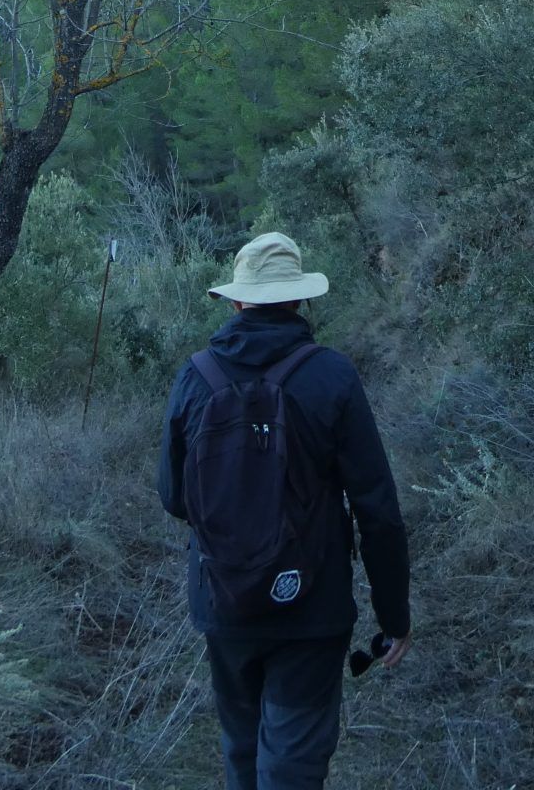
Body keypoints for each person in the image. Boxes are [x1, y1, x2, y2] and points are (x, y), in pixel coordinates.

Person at [158, 231, 410, 790]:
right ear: (299, 299)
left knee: (242, 749)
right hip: (312, 604)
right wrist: (395, 617)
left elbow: (174, 498)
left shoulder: (195, 377)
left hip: (223, 600)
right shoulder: (332, 375)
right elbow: (378, 510)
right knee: (292, 758)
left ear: (238, 300)